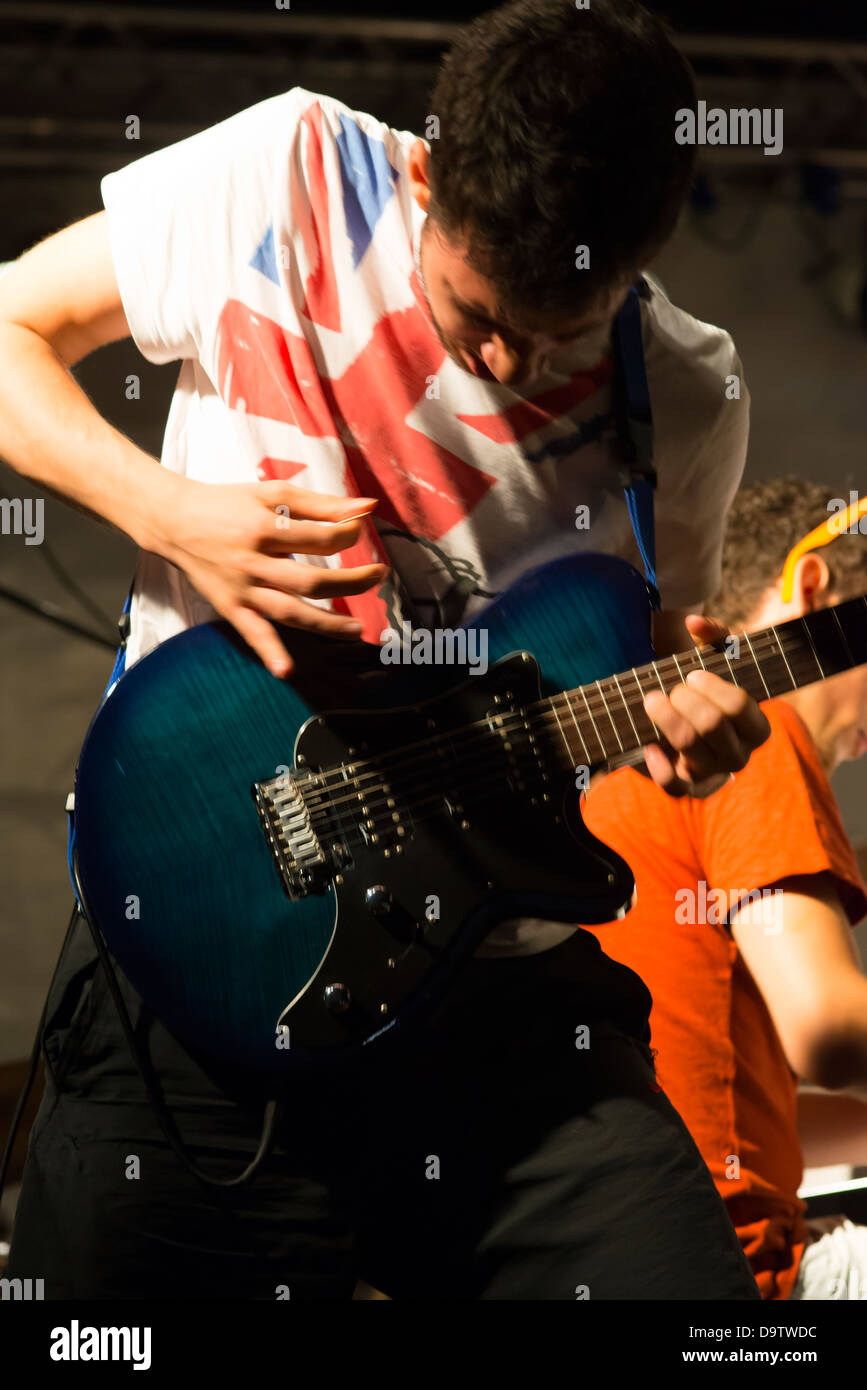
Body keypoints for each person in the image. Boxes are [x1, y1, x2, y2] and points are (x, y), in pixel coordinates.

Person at [1, 0, 768, 1299]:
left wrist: (689, 736)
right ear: (422, 172)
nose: (504, 357)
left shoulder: (686, 396)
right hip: (205, 934)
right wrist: (172, 514)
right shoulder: (286, 172)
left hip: (498, 998)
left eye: (558, 326)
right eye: (476, 308)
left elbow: (633, 673)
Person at [582, 477, 867, 1300]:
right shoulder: (749, 729)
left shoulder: (632, 768)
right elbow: (825, 1030)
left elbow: (737, 1118)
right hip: (733, 1277)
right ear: (813, 586)